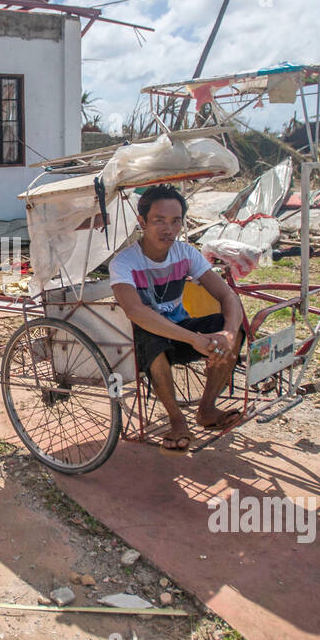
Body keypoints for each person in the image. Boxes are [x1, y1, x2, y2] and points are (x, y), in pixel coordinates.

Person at [110, 184, 246, 451]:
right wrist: (194, 339)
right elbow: (135, 311)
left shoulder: (186, 253)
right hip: (140, 340)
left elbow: (228, 297)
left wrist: (228, 334)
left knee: (234, 330)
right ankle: (176, 420)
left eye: (175, 221)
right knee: (151, 335)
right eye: (158, 220)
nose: (168, 229)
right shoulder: (124, 262)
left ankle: (206, 409)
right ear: (142, 222)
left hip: (182, 331)